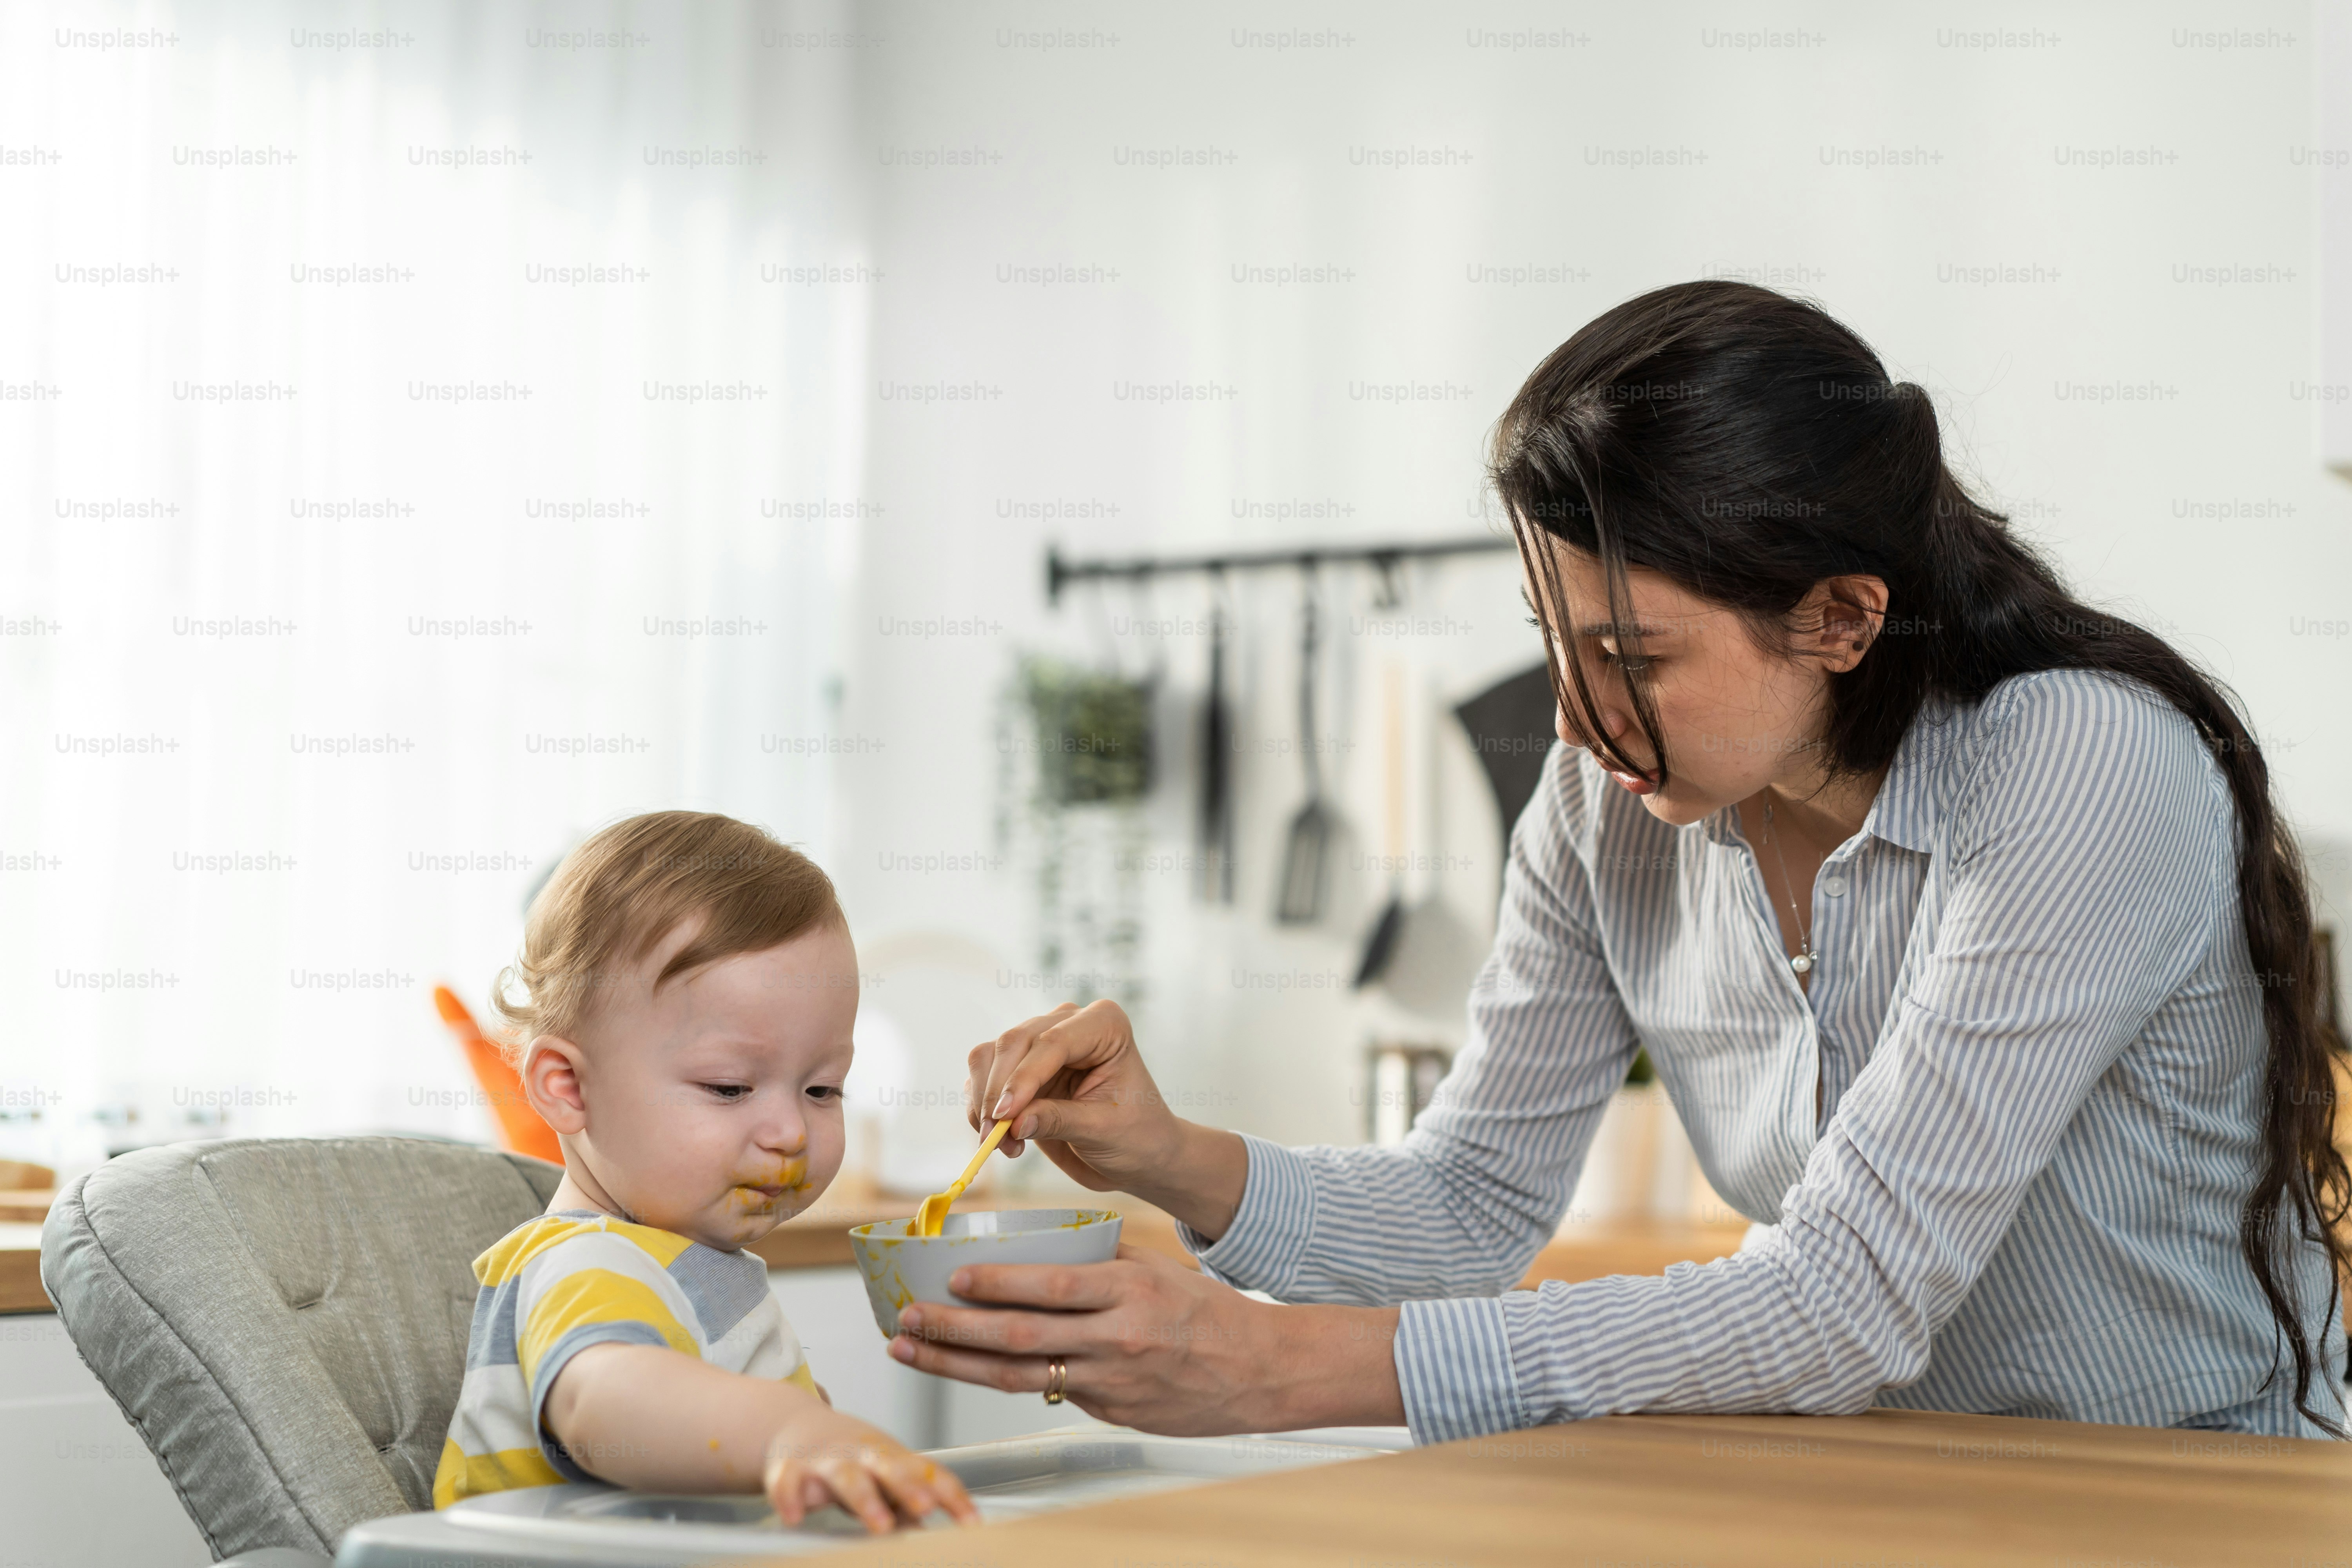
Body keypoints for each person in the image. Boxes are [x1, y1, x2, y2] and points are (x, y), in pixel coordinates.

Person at [890, 281, 2350, 1443]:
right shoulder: (1608, 813)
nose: (1578, 718)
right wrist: (1172, 1160)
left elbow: (1848, 1298)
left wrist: (1282, 1370)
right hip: (1889, 1490)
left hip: (2193, 1493)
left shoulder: (2079, 763)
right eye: (1554, 639)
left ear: (1843, 618)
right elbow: (1468, 1208)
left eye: (1633, 653)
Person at [435, 810, 979, 1532]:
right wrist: (791, 1435)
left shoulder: (693, 1265)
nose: (790, 1131)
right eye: (729, 1088)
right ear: (568, 1087)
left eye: (823, 1089)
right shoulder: (585, 1263)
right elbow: (606, 1402)